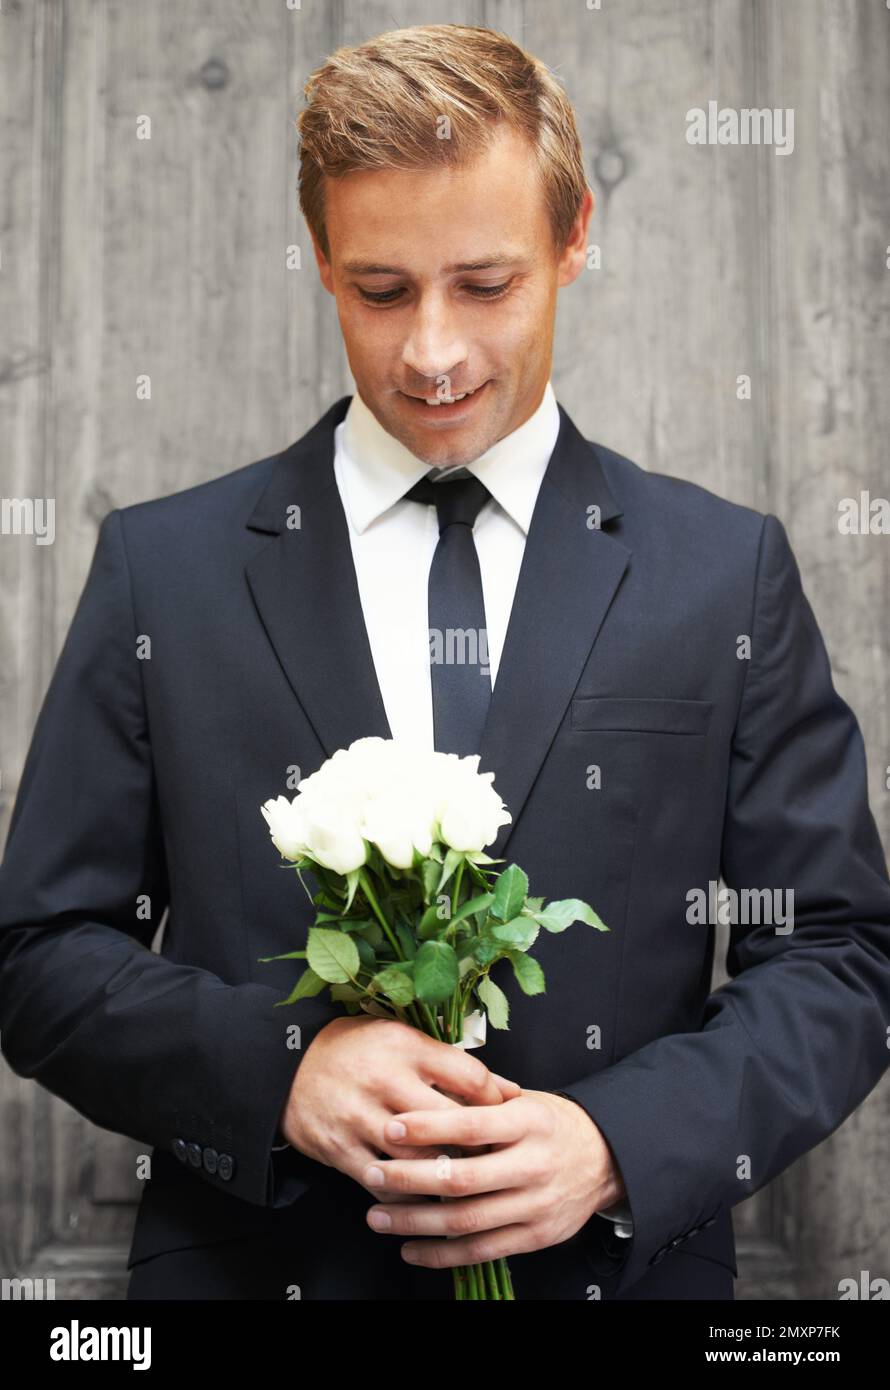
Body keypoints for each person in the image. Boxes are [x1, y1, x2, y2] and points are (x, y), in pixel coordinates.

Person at [1, 23, 889, 1302]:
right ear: (317, 257)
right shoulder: (163, 570)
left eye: (483, 284)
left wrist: (614, 1144)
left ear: (574, 235)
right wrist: (281, 1071)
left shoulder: (722, 572)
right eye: (379, 290)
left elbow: (839, 954)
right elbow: (39, 954)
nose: (431, 353)